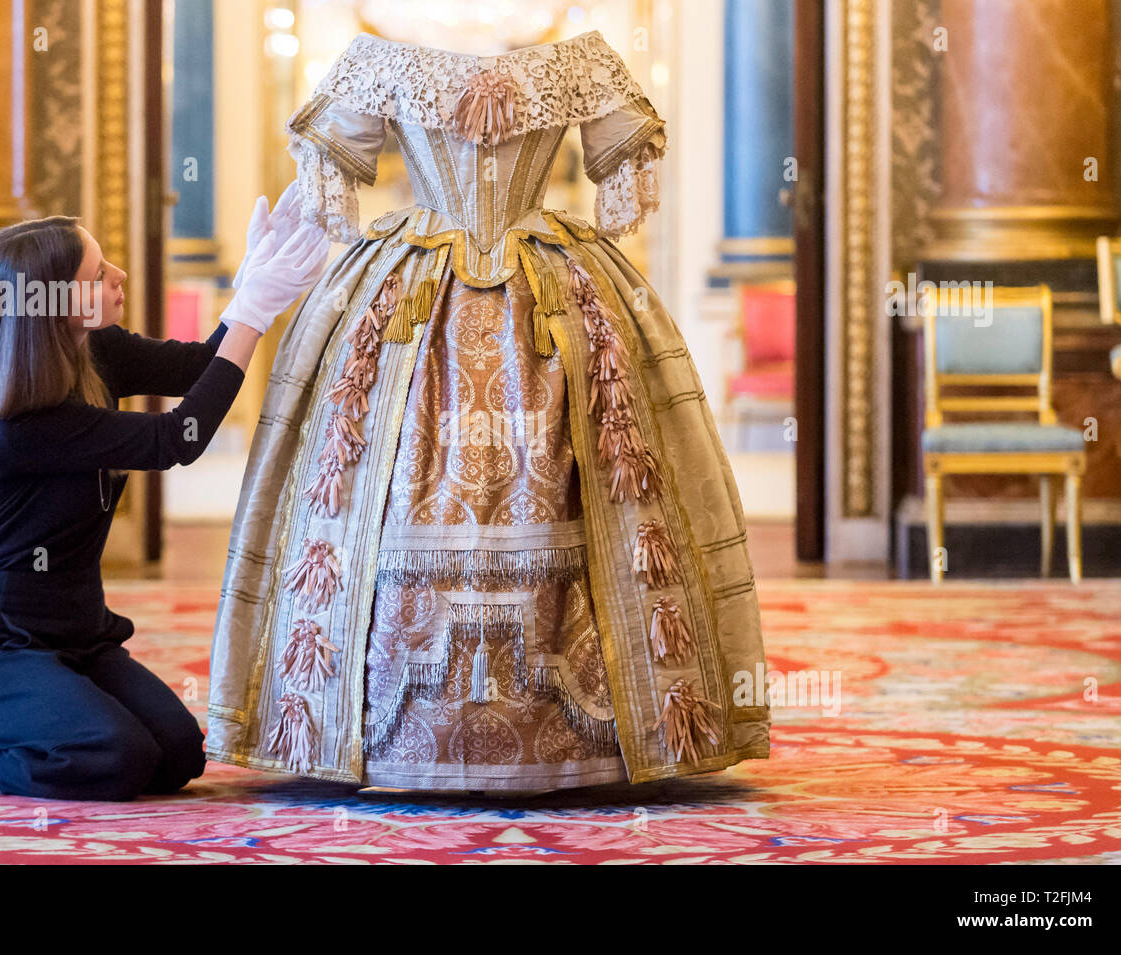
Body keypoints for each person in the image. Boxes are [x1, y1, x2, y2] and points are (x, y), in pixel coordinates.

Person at [206, 31, 771, 794]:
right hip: (455, 293)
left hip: (494, 289)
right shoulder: (397, 60)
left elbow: (333, 187)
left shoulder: (571, 59)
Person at [0, 189, 329, 800]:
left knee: (177, 754)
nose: (119, 276)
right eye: (98, 273)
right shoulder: (19, 418)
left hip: (78, 633)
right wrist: (254, 313)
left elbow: (197, 366)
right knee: (115, 756)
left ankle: (30, 719)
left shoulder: (93, 350)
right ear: (56, 303)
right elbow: (179, 438)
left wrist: (249, 285)